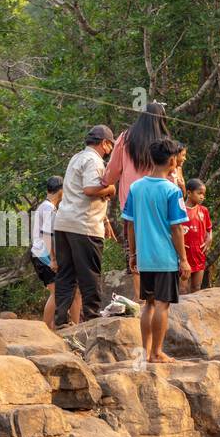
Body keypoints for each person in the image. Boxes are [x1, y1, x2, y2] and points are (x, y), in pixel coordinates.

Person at [104, 102, 185, 298]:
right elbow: (173, 173)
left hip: (134, 203)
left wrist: (105, 184)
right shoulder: (165, 141)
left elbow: (113, 170)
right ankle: (161, 299)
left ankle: (144, 301)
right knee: (164, 245)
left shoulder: (125, 138)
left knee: (136, 252)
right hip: (162, 202)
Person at [122, 138, 190, 363]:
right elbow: (177, 228)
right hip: (165, 257)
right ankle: (157, 352)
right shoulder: (172, 191)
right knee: (163, 304)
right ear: (172, 161)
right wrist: (183, 259)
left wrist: (133, 254)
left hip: (145, 256)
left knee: (148, 304)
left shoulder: (135, 187)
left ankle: (146, 351)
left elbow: (130, 224)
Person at [53, 125, 117, 327]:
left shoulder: (76, 157)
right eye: (110, 144)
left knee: (66, 274)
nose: (110, 149)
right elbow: (90, 189)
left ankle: (61, 319)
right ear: (104, 143)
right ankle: (91, 317)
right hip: (84, 224)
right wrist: (112, 188)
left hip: (64, 223)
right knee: (90, 273)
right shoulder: (94, 160)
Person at [30, 175, 80, 330]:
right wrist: (53, 259)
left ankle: (72, 325)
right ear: (61, 191)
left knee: (69, 290)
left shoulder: (45, 206)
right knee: (57, 291)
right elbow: (46, 235)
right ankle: (45, 329)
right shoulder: (49, 208)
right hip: (43, 255)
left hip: (41, 254)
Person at [182, 178, 212, 293]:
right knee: (182, 289)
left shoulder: (203, 211)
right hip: (184, 256)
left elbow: (209, 228)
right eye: (199, 193)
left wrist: (210, 237)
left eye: (203, 194)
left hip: (199, 254)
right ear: (189, 193)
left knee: (197, 288)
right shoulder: (180, 210)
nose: (202, 196)